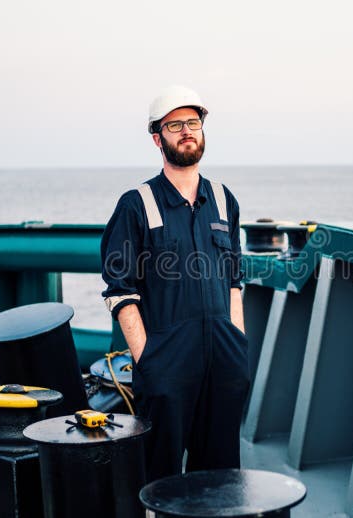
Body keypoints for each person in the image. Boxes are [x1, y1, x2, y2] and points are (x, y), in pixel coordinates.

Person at [100, 85, 249, 482]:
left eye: (193, 122)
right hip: (166, 366)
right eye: (175, 125)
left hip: (223, 364)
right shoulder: (137, 204)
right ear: (157, 137)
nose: (187, 131)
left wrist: (238, 345)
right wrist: (149, 359)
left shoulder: (223, 199)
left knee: (219, 480)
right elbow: (120, 289)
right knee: (161, 478)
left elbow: (234, 280)